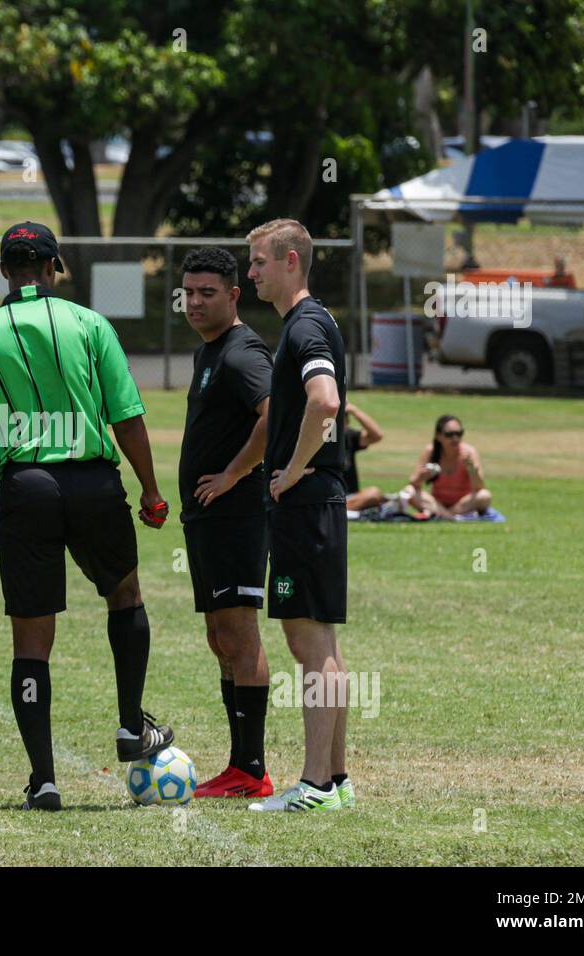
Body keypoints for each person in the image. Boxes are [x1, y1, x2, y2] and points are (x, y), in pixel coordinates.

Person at [0, 221, 173, 812]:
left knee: (31, 636)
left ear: (4, 271)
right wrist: (150, 490)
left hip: (26, 488)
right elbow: (127, 414)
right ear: (54, 268)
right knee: (124, 595)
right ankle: (130, 725)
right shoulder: (90, 324)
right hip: (94, 483)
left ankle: (43, 780)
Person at [245, 218, 352, 814]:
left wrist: (290, 468)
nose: (251, 272)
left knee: (308, 640)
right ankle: (335, 779)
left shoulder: (306, 324)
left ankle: (312, 786)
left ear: (291, 261)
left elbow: (327, 401)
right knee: (318, 639)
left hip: (307, 504)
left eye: (259, 262)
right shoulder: (316, 321)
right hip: (317, 503)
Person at [173, 247, 275, 800]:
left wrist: (234, 475)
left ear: (233, 296)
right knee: (220, 637)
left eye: (207, 293)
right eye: (188, 292)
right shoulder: (207, 352)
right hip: (206, 519)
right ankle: (240, 765)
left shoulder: (241, 353)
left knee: (238, 634)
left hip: (235, 517)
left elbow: (274, 411)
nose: (195, 302)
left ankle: (252, 769)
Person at [404, 414, 493, 518]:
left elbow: (479, 487)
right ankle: (449, 516)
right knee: (408, 491)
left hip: (463, 505)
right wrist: (422, 476)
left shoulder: (469, 452)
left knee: (484, 496)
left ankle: (445, 515)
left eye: (459, 433)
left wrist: (471, 469)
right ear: (438, 436)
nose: (455, 438)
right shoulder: (431, 451)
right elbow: (413, 483)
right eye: (449, 434)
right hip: (437, 504)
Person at [341, 400, 384, 512]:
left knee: (374, 494)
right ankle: (341, 510)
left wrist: (353, 410)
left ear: (347, 422)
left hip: (350, 497)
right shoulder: (317, 439)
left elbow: (377, 435)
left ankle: (340, 510)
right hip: (325, 496)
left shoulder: (348, 437)